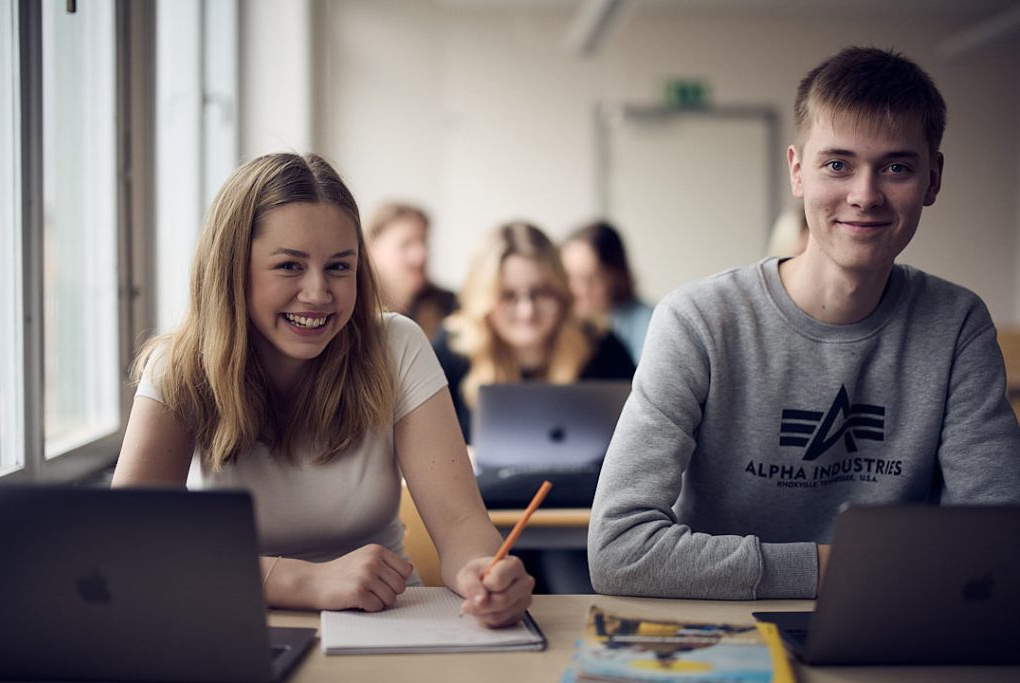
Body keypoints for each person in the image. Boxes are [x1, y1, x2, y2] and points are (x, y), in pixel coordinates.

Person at [588, 47, 1020, 601]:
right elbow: (619, 552)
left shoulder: (957, 324)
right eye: (837, 164)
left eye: (896, 167)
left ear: (932, 179)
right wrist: (840, 568)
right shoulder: (698, 320)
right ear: (798, 171)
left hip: (895, 627)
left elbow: (998, 537)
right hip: (724, 633)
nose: (864, 195)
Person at [113, 153, 534, 627]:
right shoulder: (180, 368)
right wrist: (306, 582)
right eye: (290, 266)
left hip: (383, 623)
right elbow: (129, 547)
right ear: (231, 270)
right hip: (234, 622)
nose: (317, 293)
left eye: (339, 267)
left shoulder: (397, 346)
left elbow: (461, 526)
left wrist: (483, 571)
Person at [432, 221, 636, 444]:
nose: (526, 311)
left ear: (562, 292)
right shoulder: (452, 347)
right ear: (484, 299)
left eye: (541, 292)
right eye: (508, 295)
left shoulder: (601, 345)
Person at [561, 220, 655, 364]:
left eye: (592, 279)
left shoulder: (647, 324)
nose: (578, 290)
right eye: (569, 278)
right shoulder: (560, 323)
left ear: (616, 277)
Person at [366, 201, 457, 339]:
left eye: (424, 242)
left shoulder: (449, 305)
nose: (421, 255)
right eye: (406, 244)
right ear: (373, 249)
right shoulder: (354, 307)